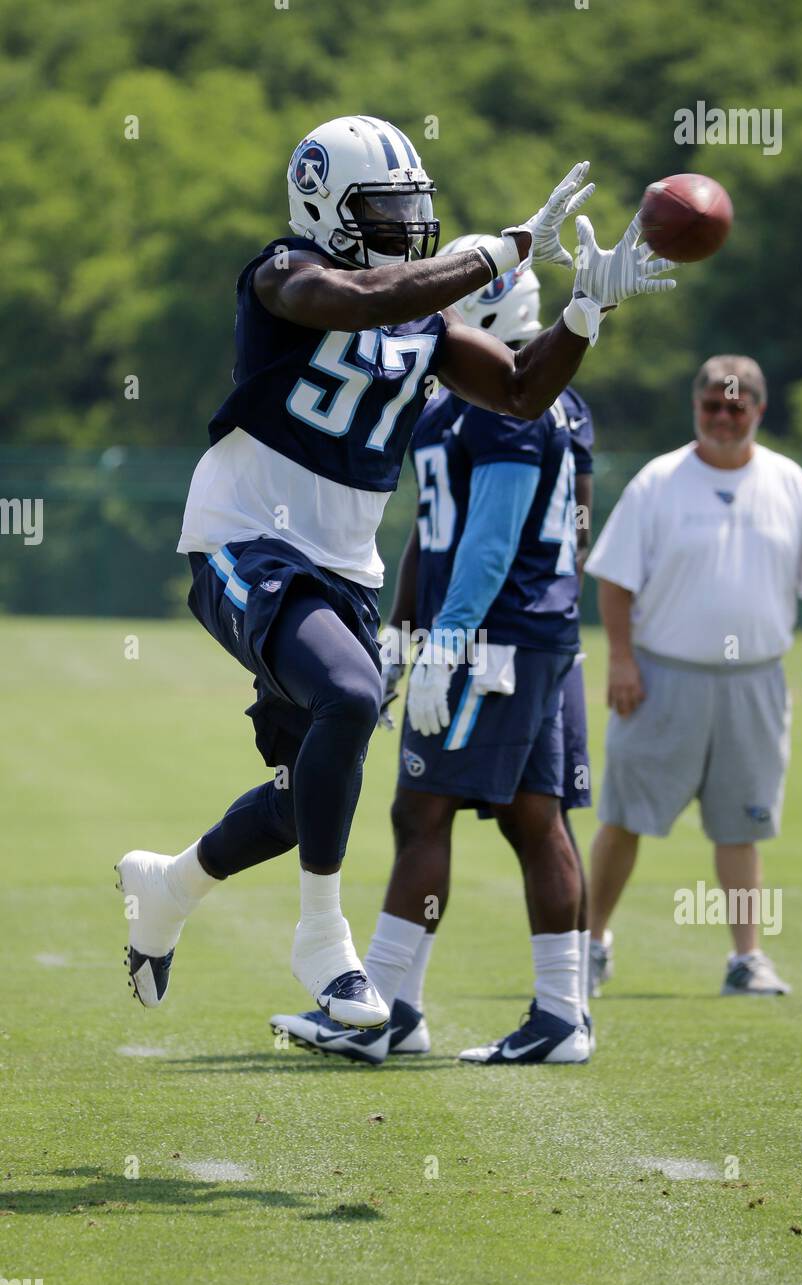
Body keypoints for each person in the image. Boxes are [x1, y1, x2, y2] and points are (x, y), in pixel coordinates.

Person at [115, 113, 677, 1027]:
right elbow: (363, 300)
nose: (405, 227)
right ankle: (322, 941)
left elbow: (522, 390)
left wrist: (584, 312)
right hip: (244, 536)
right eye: (381, 208)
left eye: (413, 209)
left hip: (345, 566)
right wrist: (505, 250)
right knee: (349, 690)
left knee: (308, 798)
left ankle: (168, 887)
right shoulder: (283, 275)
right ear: (322, 206)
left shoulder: (423, 308)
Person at [270, 239, 597, 1065]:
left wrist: (447, 644)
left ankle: (387, 1009)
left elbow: (488, 540)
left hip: (494, 635)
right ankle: (561, 1013)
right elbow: (444, 531)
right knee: (534, 817)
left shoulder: (493, 404)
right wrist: (400, 631)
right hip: (536, 632)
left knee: (422, 811)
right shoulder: (535, 402)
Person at [584, 355, 802, 997]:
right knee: (623, 816)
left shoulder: (789, 482)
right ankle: (589, 944)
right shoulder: (658, 481)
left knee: (743, 822)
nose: (723, 417)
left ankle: (745, 959)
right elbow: (615, 579)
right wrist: (622, 660)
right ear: (696, 407)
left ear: (757, 410)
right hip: (661, 675)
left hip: (754, 680)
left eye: (737, 406)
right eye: (712, 406)